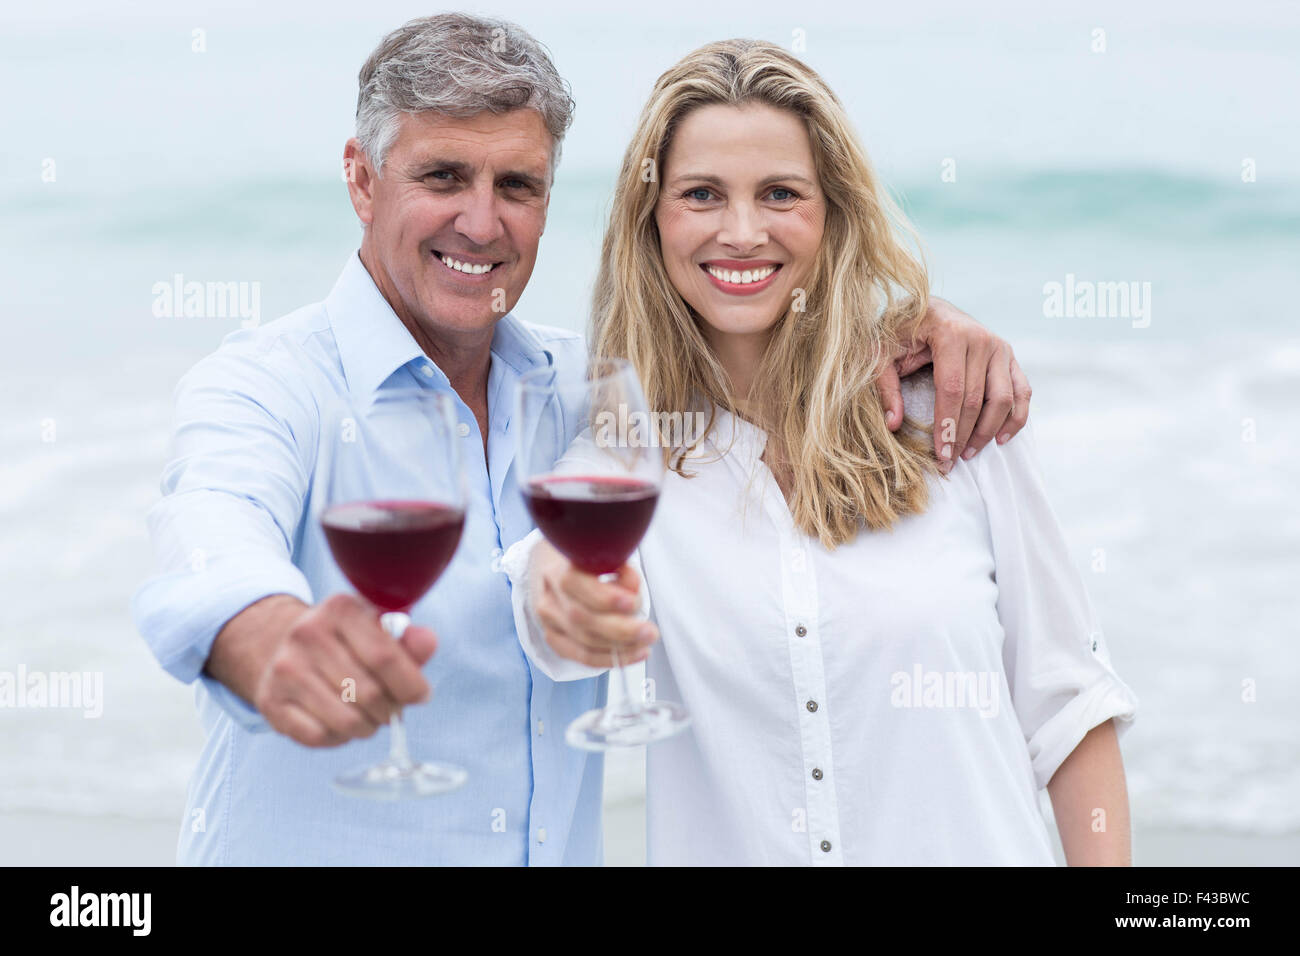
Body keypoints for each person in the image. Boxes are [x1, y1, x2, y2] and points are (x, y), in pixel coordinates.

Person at [133, 14, 1031, 865]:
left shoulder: (592, 395)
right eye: (443, 177)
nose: (482, 223)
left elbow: (745, 355)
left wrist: (919, 325)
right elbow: (211, 531)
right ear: (363, 180)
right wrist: (269, 635)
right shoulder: (268, 385)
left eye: (516, 186)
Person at [507, 39, 1137, 866]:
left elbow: (1069, 709)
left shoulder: (951, 415)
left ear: (831, 211)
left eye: (780, 193)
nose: (741, 232)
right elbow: (550, 591)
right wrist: (557, 592)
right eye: (701, 194)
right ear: (651, 218)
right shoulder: (630, 456)